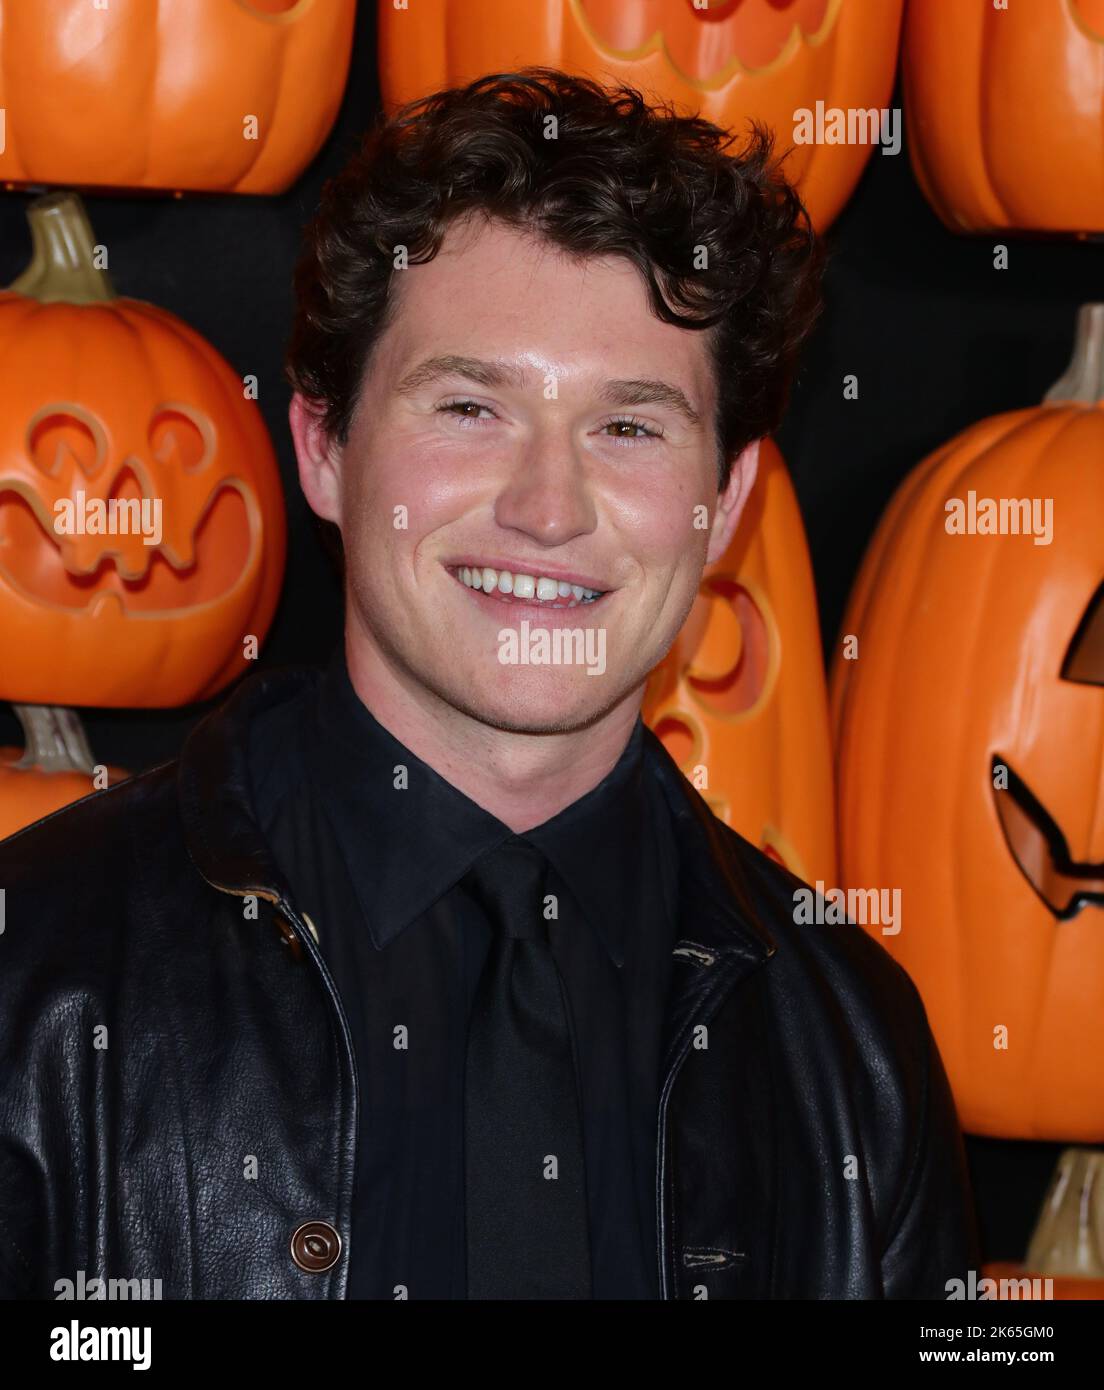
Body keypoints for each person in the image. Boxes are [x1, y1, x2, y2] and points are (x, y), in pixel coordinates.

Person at [0, 68, 979, 1300]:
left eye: (629, 427)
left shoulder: (854, 1047)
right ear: (323, 448)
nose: (545, 507)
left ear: (723, 503)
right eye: (469, 405)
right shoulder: (33, 977)